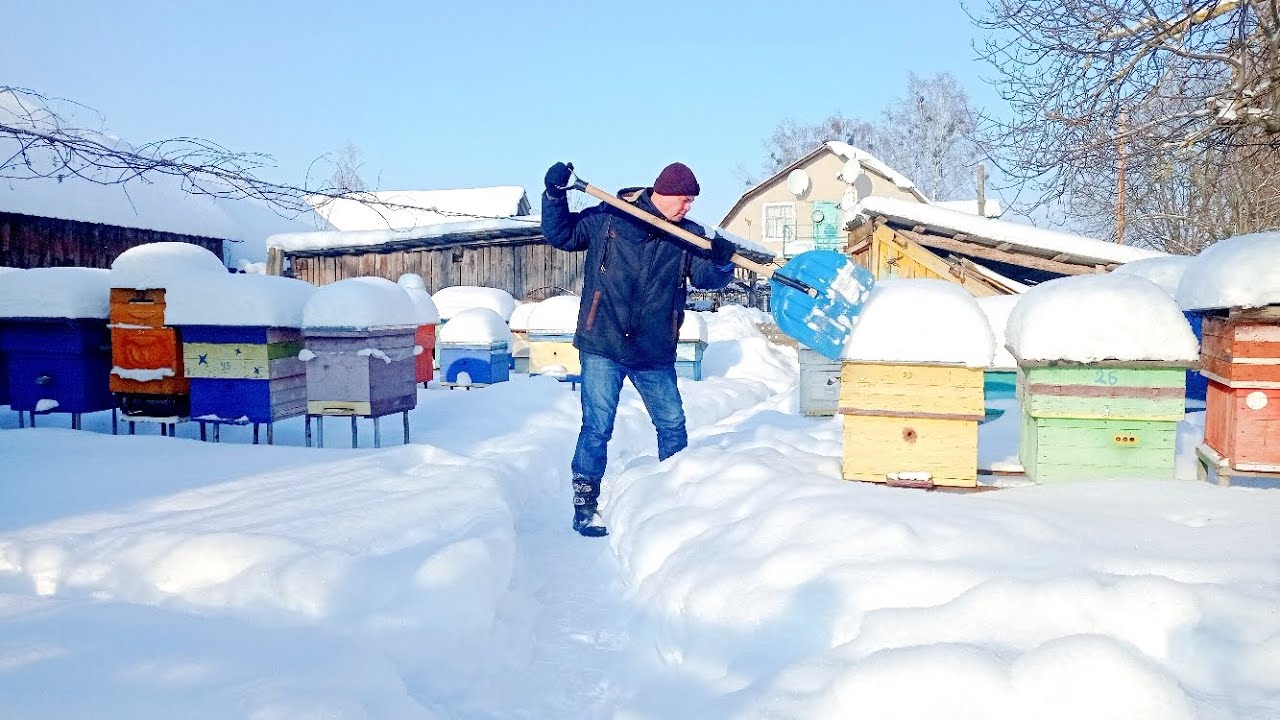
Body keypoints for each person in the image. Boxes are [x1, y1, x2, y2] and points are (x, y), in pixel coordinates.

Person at [541, 161, 738, 537]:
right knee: (597, 427)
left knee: (672, 423)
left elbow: (704, 278)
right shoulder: (610, 218)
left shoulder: (689, 236)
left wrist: (722, 261)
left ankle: (675, 497)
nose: (687, 208)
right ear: (662, 194)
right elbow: (562, 235)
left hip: (653, 347)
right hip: (603, 340)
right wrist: (553, 196)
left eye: (691, 202)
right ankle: (585, 505)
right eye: (683, 200)